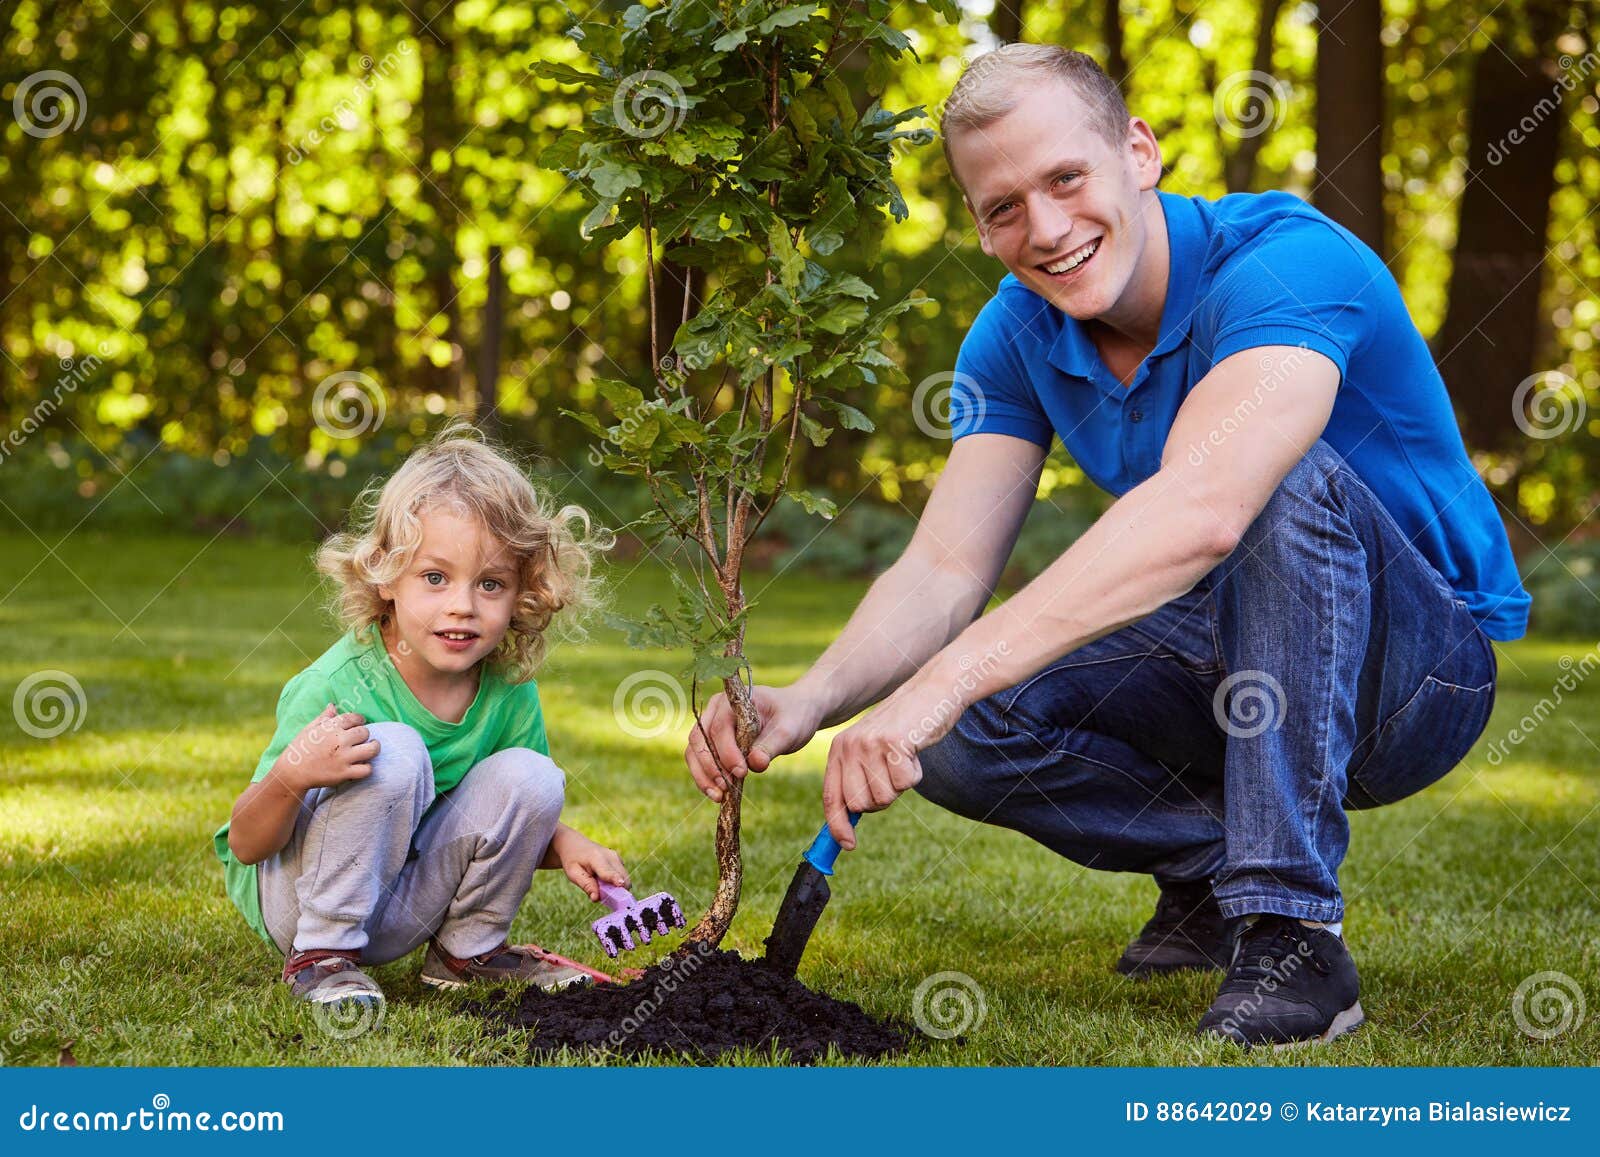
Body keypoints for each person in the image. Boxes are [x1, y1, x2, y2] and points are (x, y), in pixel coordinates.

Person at [684, 44, 1527, 1047]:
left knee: (1268, 471)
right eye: (1002, 208)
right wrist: (817, 699)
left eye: (1065, 179)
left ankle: (1289, 925)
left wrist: (939, 677)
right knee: (951, 731)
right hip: (1230, 646)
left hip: (1418, 676)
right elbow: (947, 565)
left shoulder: (1290, 263)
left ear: (1138, 150)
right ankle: (1214, 878)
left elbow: (1208, 504)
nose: (1044, 229)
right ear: (978, 223)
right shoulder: (1012, 337)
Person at [215, 425, 626, 1013]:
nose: (462, 604)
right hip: (303, 903)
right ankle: (322, 960)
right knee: (396, 750)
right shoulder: (334, 686)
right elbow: (248, 843)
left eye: (490, 583)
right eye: (435, 578)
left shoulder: (507, 690)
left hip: (398, 900)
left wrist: (566, 842)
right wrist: (293, 776)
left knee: (536, 778)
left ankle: (467, 954)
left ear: (522, 594)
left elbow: (498, 819)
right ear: (386, 576)